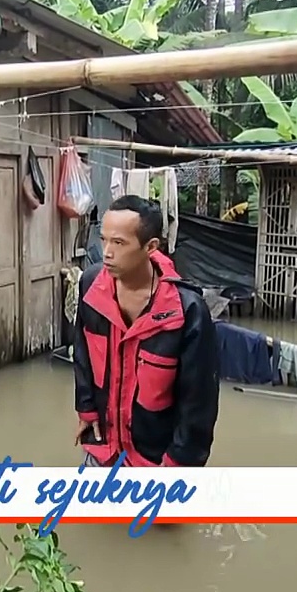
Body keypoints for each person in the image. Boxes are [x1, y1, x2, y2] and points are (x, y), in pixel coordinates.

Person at [73, 195, 220, 468]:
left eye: (118, 243)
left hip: (156, 462)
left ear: (150, 247)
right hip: (102, 451)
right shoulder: (91, 286)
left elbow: (199, 404)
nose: (106, 251)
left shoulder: (186, 311)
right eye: (103, 239)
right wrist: (86, 408)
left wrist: (179, 464)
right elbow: (82, 350)